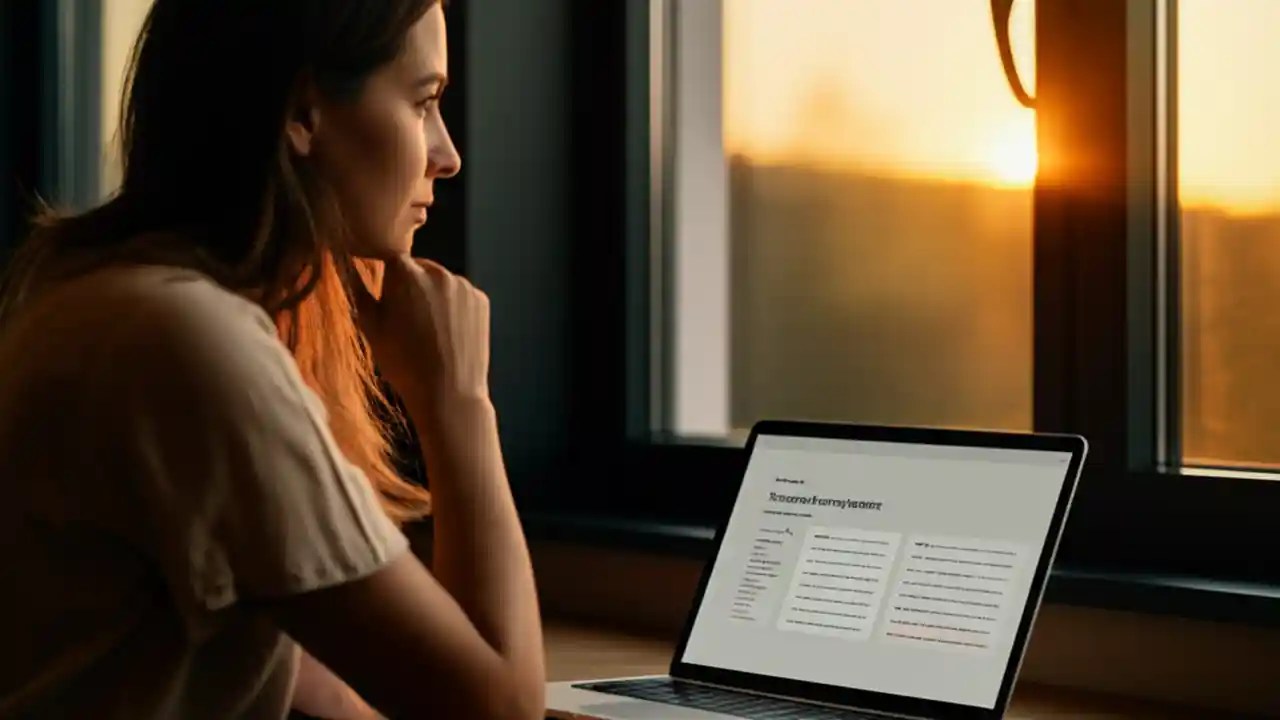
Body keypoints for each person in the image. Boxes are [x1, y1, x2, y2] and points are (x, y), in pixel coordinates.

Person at [0, 0, 545, 718]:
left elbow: (311, 684)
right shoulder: (187, 343)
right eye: (424, 103)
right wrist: (459, 403)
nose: (446, 155)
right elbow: (500, 711)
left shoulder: (99, 300)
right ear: (304, 114)